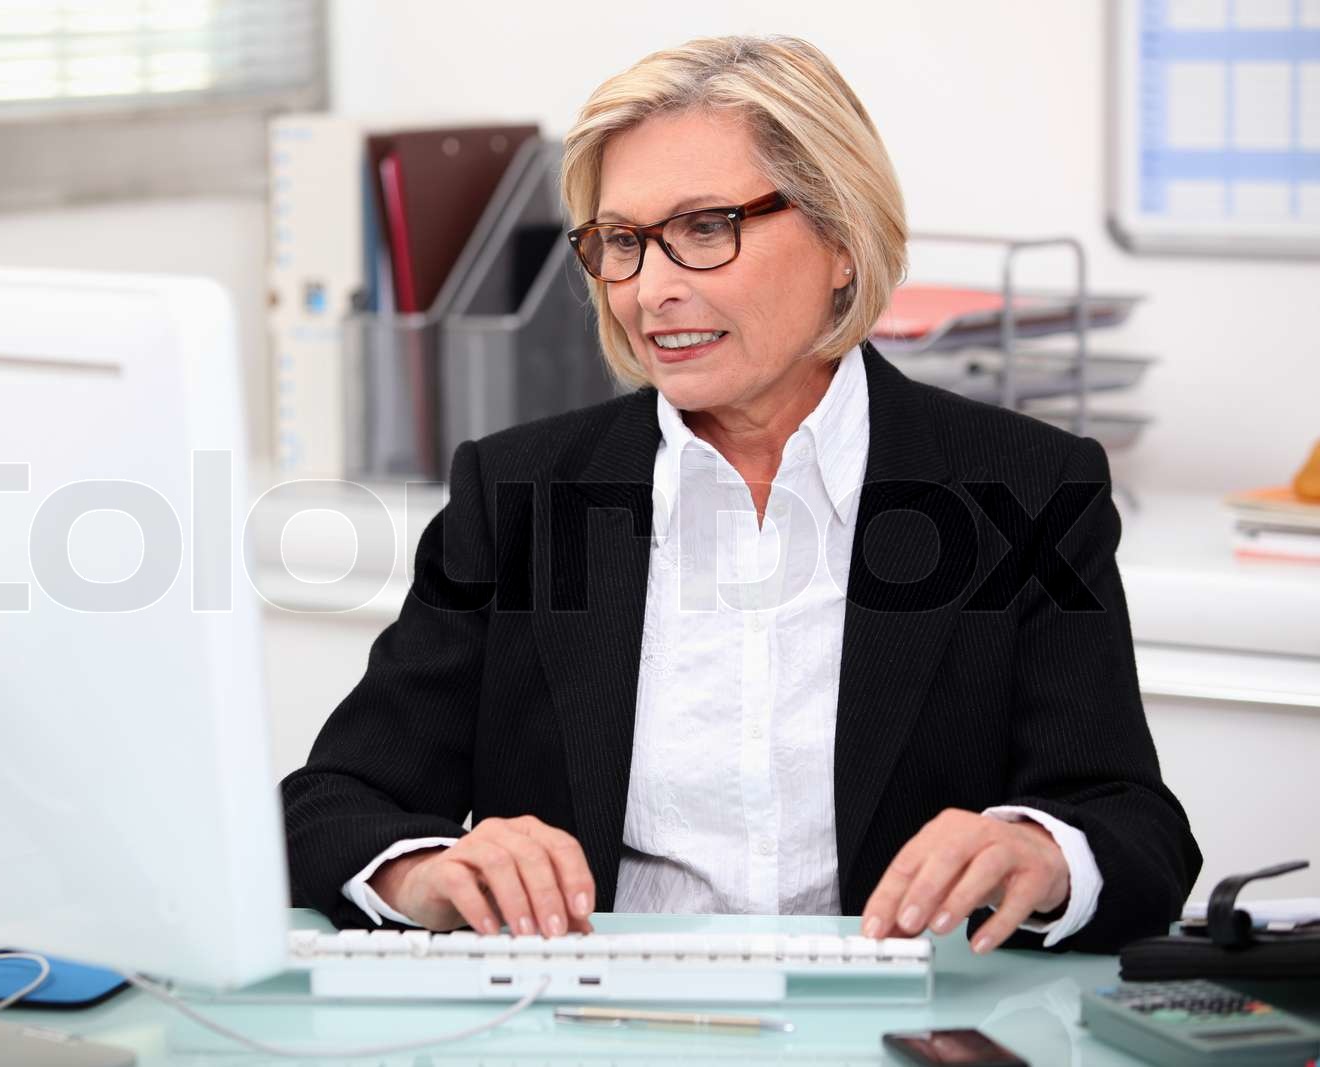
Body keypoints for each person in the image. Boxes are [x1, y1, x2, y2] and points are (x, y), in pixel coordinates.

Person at [281, 34, 1200, 955]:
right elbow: (330, 805)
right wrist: (428, 871)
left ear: (841, 238)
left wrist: (1038, 853)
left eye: (706, 229)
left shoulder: (1027, 489)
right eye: (624, 243)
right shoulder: (518, 493)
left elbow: (1136, 828)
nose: (653, 290)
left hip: (892, 1024)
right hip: (594, 1028)